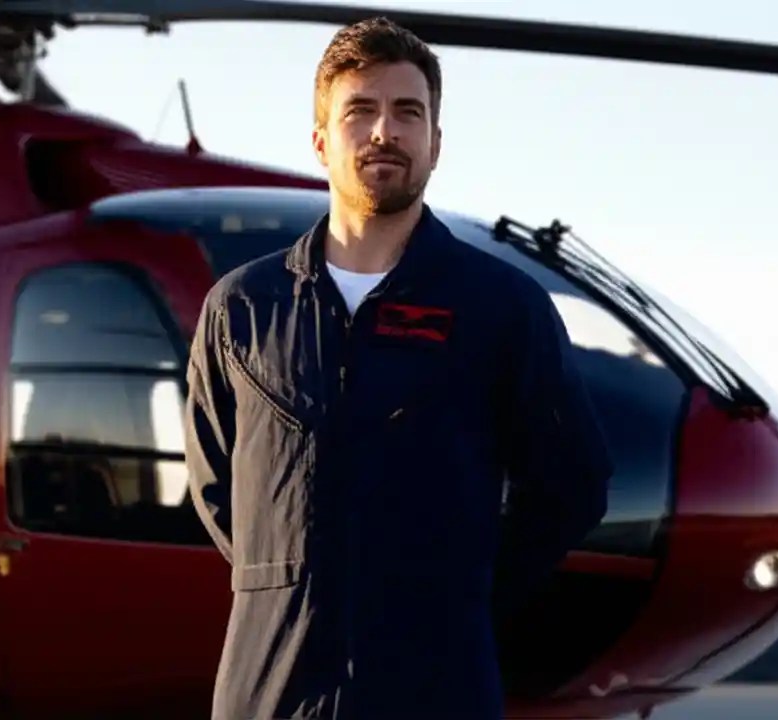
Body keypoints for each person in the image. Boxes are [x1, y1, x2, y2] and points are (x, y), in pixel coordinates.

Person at [183, 16, 613, 720]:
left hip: (436, 691)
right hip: (271, 693)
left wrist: (457, 596)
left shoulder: (503, 308)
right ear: (322, 140)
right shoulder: (241, 309)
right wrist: (297, 585)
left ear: (435, 143)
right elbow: (216, 488)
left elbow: (572, 485)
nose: (385, 131)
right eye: (361, 110)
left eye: (407, 112)